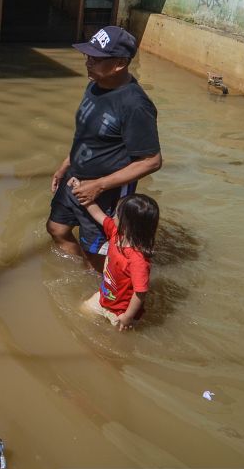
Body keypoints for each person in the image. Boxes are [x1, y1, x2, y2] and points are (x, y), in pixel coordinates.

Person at [48, 26, 162, 270]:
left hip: (107, 191)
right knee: (57, 229)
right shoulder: (95, 85)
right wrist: (65, 165)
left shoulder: (135, 105)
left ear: (120, 64)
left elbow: (151, 160)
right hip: (75, 178)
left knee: (97, 254)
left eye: (95, 59)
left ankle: (101, 282)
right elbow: (87, 134)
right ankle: (83, 273)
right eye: (87, 56)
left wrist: (98, 185)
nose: (87, 63)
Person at [71, 188, 158, 331]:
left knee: (114, 338)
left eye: (117, 214)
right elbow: (99, 215)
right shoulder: (116, 232)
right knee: (83, 312)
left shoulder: (138, 259)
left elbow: (140, 292)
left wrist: (128, 316)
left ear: (127, 224)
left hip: (122, 310)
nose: (113, 216)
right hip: (105, 296)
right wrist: (86, 199)